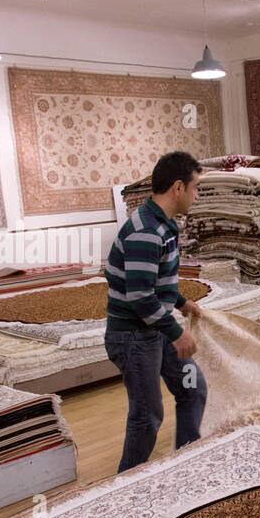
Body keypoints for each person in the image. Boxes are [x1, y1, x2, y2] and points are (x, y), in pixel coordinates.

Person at [103, 151, 207, 472]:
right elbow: (139, 296)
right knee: (147, 415)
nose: (196, 195)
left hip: (152, 329)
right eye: (194, 187)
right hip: (134, 336)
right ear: (178, 187)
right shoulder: (145, 231)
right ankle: (126, 483)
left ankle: (186, 462)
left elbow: (156, 281)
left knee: (193, 389)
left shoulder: (163, 225)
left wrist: (181, 302)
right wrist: (177, 334)